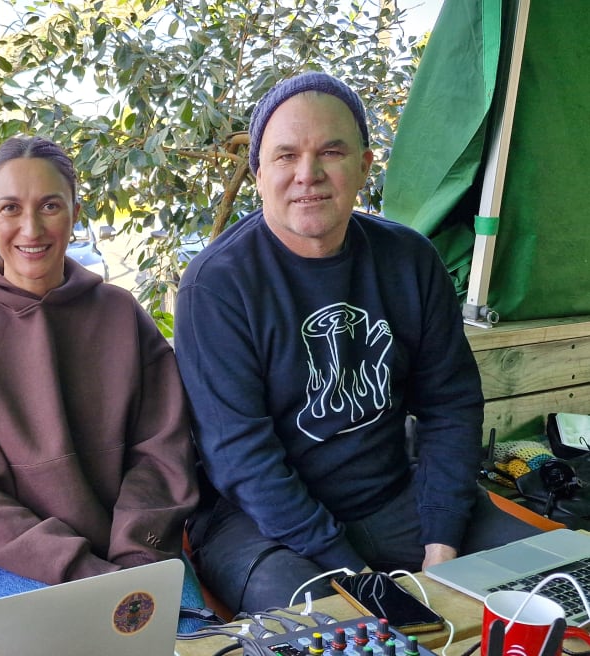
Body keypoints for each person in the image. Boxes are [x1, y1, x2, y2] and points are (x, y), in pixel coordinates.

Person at [173, 71, 540, 614]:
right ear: (257, 173)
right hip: (262, 529)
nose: (308, 174)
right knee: (332, 633)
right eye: (285, 156)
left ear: (364, 166)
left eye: (332, 151)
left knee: (552, 579)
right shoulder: (217, 285)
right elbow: (241, 458)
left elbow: (449, 404)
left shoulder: (410, 260)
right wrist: (357, 576)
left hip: (398, 500)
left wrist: (443, 547)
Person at [0, 136, 204, 619]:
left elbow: (162, 454)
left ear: (74, 213)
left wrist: (135, 558)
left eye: (50, 205)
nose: (31, 228)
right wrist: (82, 574)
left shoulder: (121, 313)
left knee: (190, 641)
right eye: (10, 208)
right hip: (9, 558)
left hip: (129, 554)